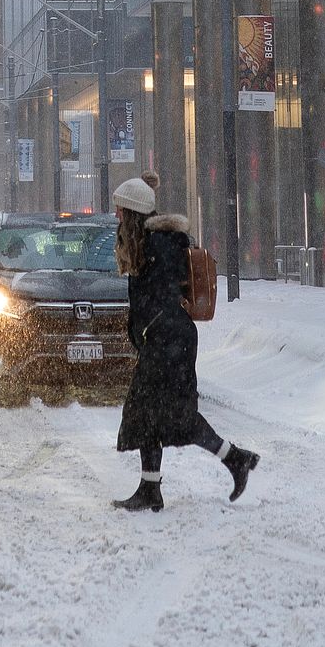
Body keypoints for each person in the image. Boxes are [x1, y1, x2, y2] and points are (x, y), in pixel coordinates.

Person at [113, 174, 259, 513]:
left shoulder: (159, 244)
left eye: (121, 210)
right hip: (162, 338)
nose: (117, 216)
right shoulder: (148, 242)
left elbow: (156, 298)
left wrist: (147, 331)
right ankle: (151, 488)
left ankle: (235, 459)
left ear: (133, 212)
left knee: (175, 415)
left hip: (169, 340)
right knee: (147, 413)